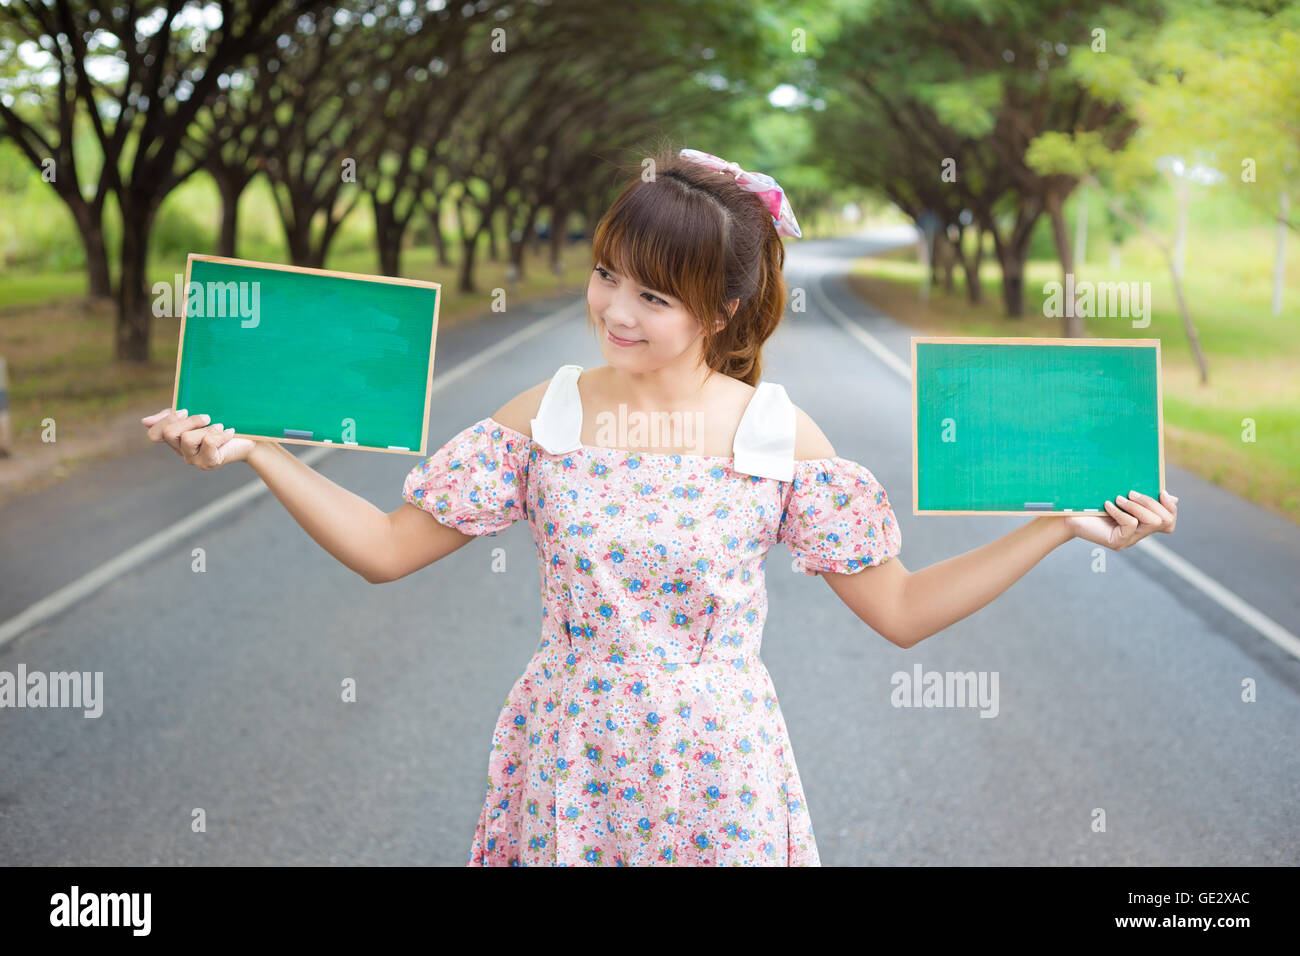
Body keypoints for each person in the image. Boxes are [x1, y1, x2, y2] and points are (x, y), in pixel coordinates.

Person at [141, 145, 1179, 866]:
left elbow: (899, 611)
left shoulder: (777, 435)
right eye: (605, 275)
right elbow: (383, 547)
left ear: (721, 306)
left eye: (653, 294)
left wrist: (1054, 525)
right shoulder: (544, 412)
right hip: (568, 753)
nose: (614, 310)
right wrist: (260, 454)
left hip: (720, 764)